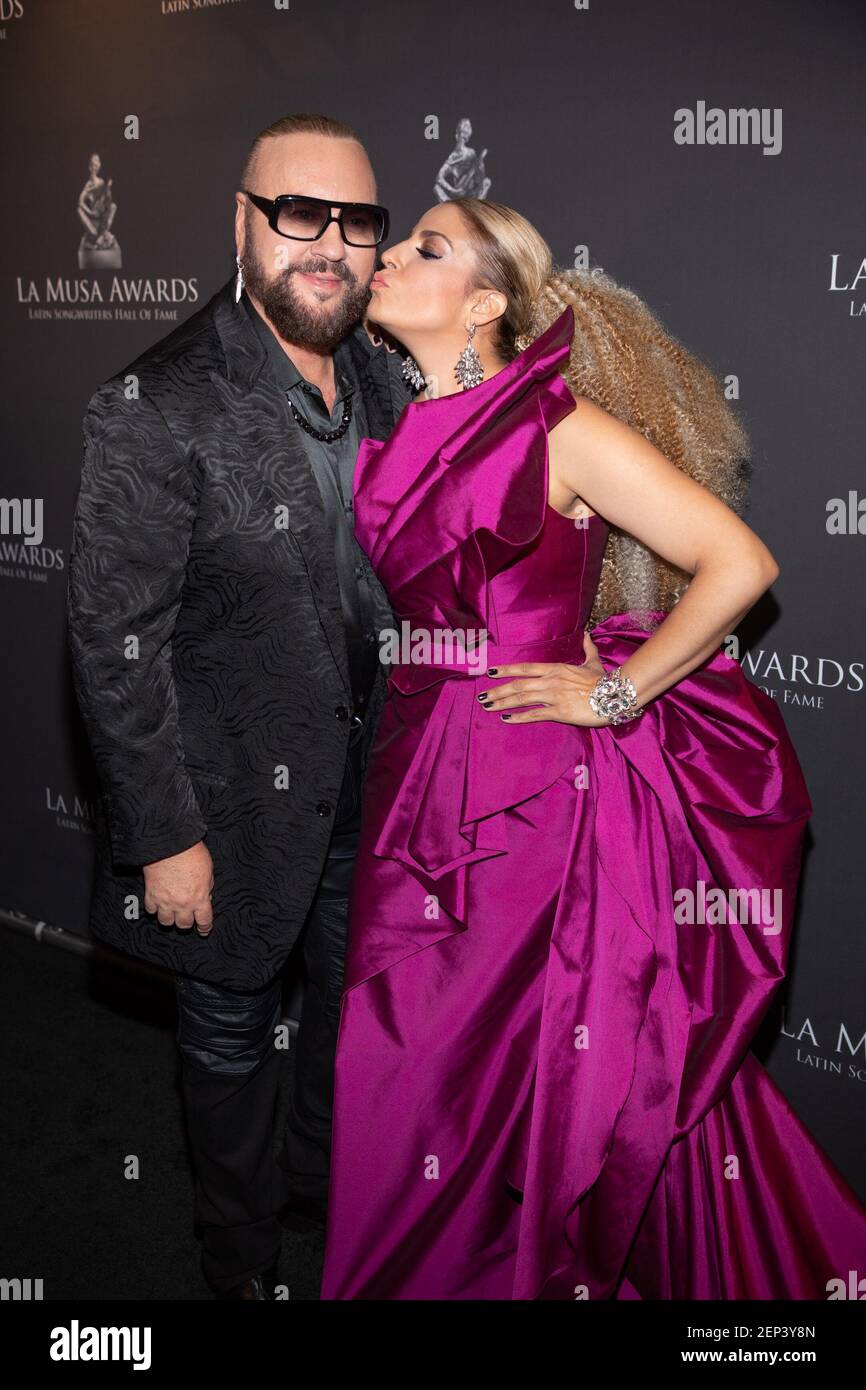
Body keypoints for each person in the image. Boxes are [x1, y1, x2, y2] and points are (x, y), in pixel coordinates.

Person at [320, 196, 866, 1299]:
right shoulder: (398, 428)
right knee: (412, 1071)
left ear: (482, 301)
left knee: (521, 1069)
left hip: (529, 803)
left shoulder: (553, 427)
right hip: (418, 777)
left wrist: (616, 695)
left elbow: (736, 562)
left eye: (426, 248)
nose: (387, 258)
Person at [67, 113, 413, 1299]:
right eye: (296, 214)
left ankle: (326, 1211)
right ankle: (240, 1261)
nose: (326, 243)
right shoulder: (153, 405)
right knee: (226, 1049)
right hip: (224, 815)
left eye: (354, 221)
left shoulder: (390, 373)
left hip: (374, 804)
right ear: (241, 224)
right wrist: (165, 835)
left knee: (348, 1030)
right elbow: (116, 647)